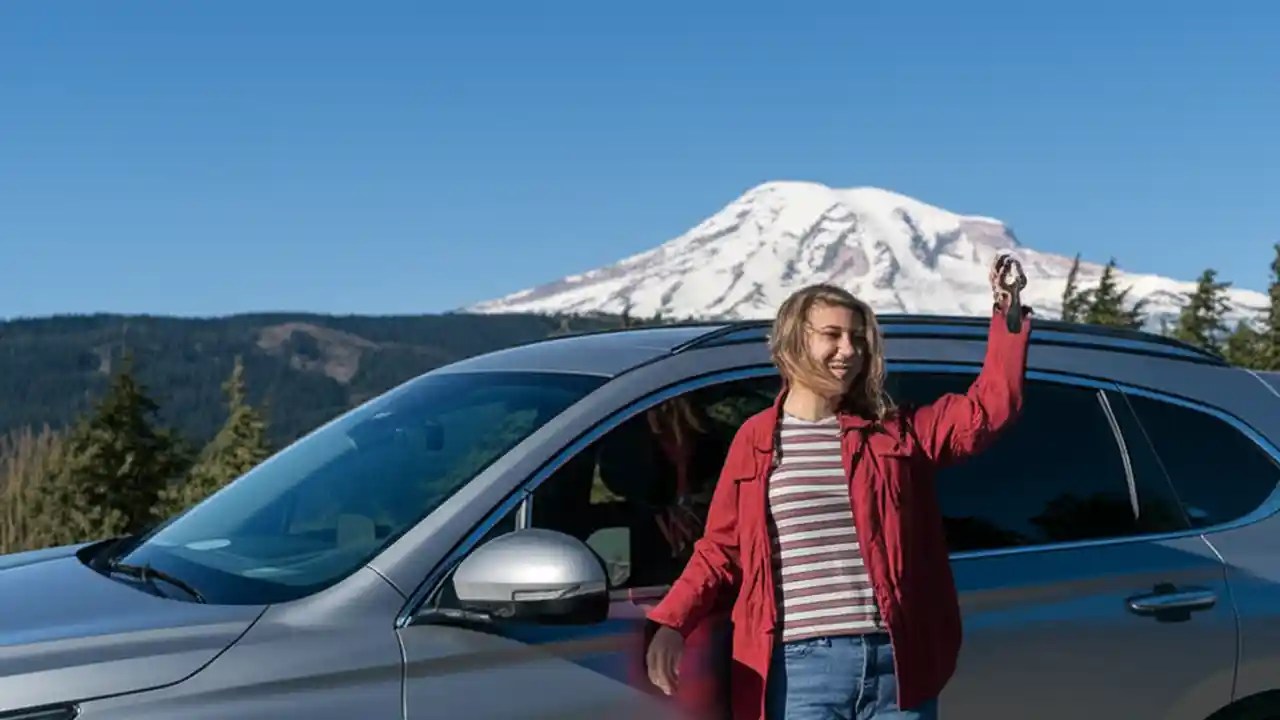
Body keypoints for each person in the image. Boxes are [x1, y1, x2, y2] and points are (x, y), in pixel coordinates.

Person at [644, 254, 1032, 720]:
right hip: (800, 671)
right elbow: (722, 551)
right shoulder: (756, 440)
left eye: (856, 338)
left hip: (897, 668)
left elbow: (986, 414)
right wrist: (671, 622)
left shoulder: (894, 432)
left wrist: (1007, 316)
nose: (848, 350)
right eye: (832, 335)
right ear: (792, 343)